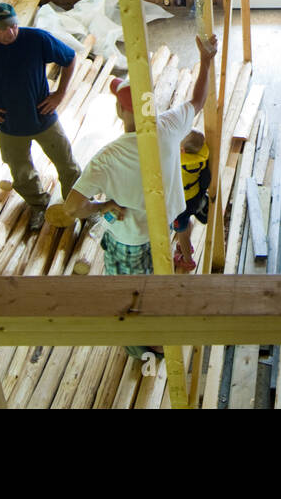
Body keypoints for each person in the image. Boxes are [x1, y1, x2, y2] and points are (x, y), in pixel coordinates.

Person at [57, 33, 218, 360]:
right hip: (163, 227)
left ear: (119, 110)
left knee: (132, 295)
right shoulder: (170, 125)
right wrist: (206, 59)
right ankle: (160, 335)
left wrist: (103, 206)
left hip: (130, 240)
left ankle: (151, 345)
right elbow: (198, 100)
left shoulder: (107, 157)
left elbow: (72, 207)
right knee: (157, 282)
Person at [0, 2, 81, 233]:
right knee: (21, 172)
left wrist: (60, 94)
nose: (9, 32)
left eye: (13, 26)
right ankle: (38, 205)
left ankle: (77, 206)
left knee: (67, 164)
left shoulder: (37, 39)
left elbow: (70, 58)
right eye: (2, 29)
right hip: (8, 125)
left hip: (43, 117)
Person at [173, 130, 211, 272]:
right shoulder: (200, 158)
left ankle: (187, 260)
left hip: (180, 203)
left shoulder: (178, 164)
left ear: (182, 150)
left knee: (181, 230)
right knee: (187, 220)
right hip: (194, 199)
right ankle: (186, 246)